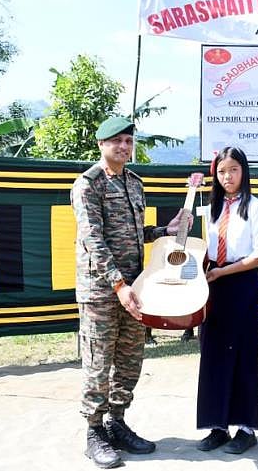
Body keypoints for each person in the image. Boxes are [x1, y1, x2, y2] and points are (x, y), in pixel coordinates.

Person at [72, 116, 187, 469]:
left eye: (128, 140)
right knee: (98, 363)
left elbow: (135, 236)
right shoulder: (87, 185)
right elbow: (94, 239)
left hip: (137, 289)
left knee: (129, 361)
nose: (123, 147)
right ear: (101, 145)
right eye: (116, 141)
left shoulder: (135, 183)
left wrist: (163, 230)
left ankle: (117, 424)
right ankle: (94, 433)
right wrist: (118, 285)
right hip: (102, 292)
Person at [196, 146, 258, 455]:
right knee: (212, 353)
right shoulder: (210, 208)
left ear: (244, 171)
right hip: (211, 283)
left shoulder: (256, 207)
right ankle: (217, 426)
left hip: (241, 283)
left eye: (234, 170)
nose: (228, 176)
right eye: (222, 171)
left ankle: (246, 428)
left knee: (242, 354)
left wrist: (224, 272)